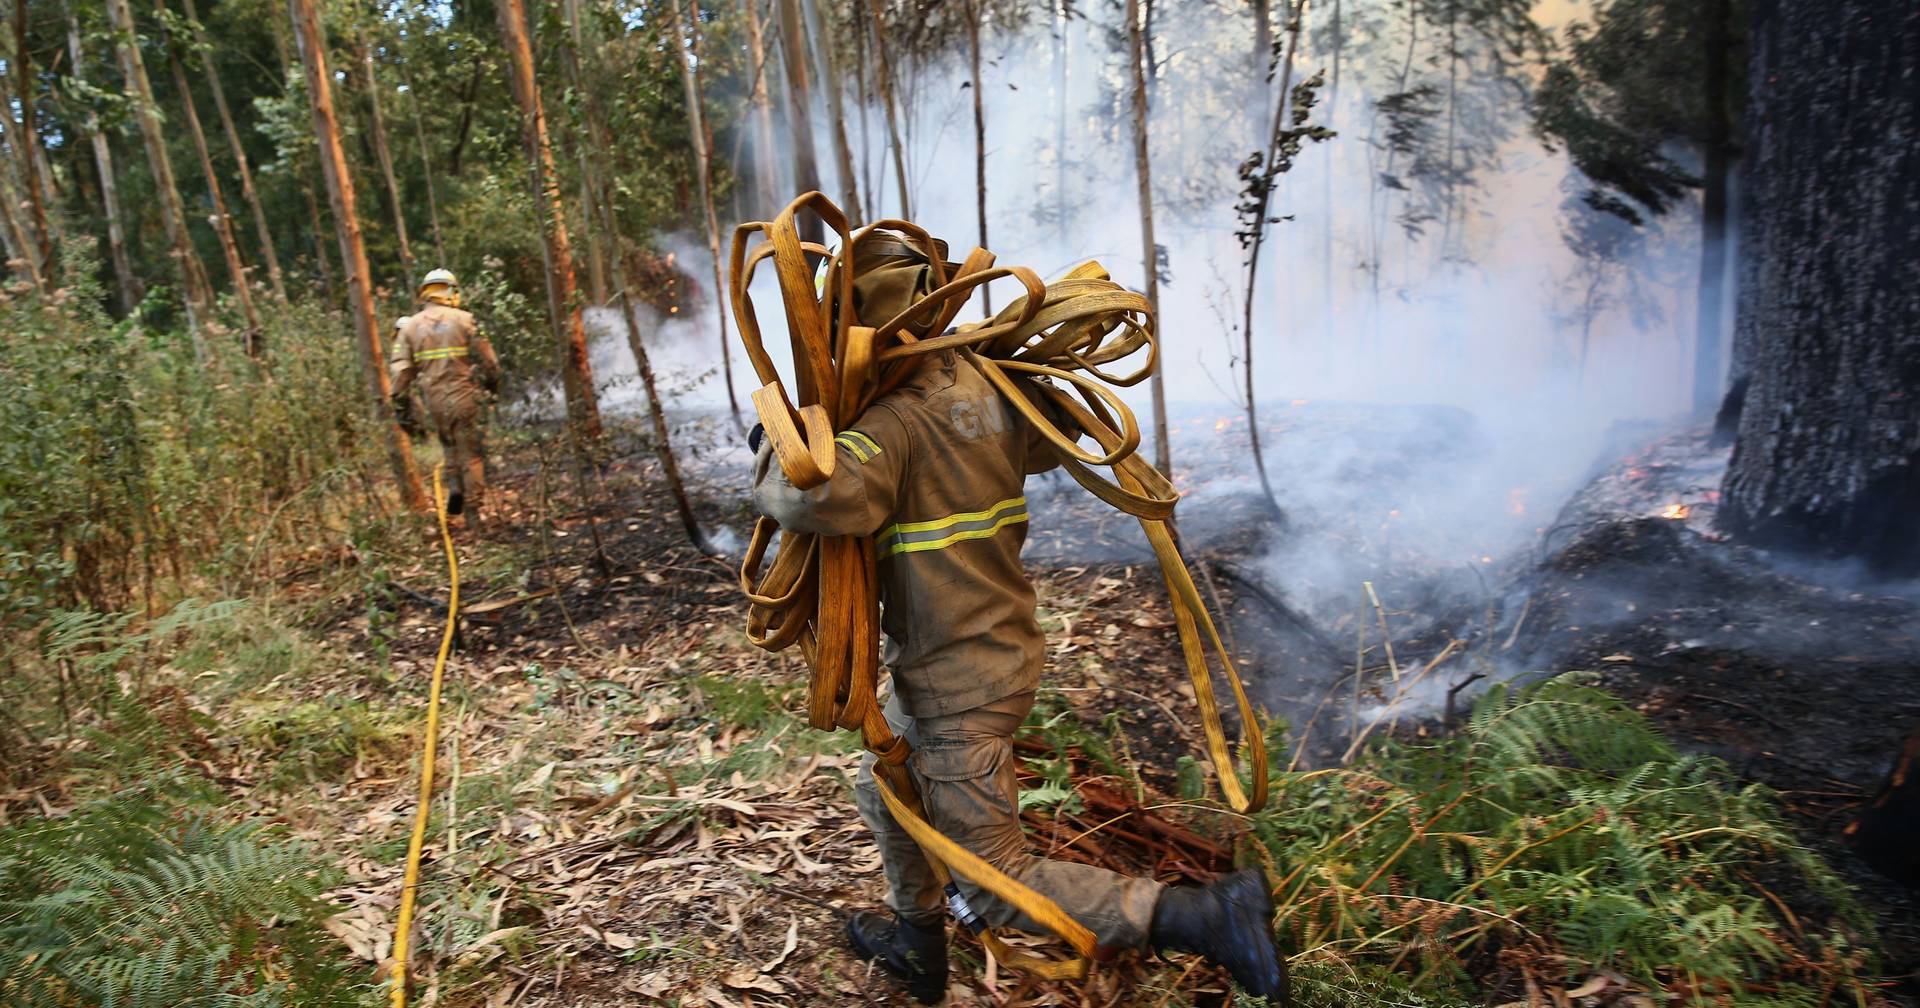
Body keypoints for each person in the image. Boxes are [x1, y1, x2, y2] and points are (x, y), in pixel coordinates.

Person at [749, 233, 1289, 1004]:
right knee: (885, 787)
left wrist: (776, 446)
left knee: (996, 879)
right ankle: (917, 945)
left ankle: (1203, 916)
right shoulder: (987, 381)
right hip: (987, 653)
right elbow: (1039, 445)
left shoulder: (895, 424)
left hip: (956, 682)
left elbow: (813, 498)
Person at [389, 268, 501, 526]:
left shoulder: (410, 327)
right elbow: (491, 364)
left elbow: (401, 373)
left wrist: (401, 404)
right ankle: (473, 514)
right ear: (451, 291)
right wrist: (493, 390)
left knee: (449, 446)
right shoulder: (466, 320)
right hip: (464, 397)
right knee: (471, 455)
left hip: (435, 401)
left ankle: (455, 487)